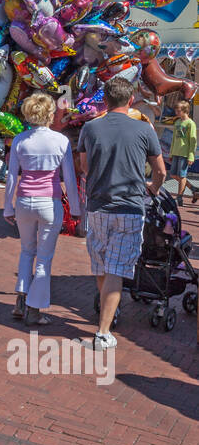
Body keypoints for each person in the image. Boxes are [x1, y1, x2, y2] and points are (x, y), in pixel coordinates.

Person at [78, 76, 166, 350]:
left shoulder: (90, 128)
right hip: (129, 206)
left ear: (105, 100)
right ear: (131, 101)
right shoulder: (144, 129)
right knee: (116, 267)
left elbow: (84, 166)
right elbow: (161, 171)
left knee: (102, 264)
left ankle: (109, 312)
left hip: (98, 205)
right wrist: (152, 187)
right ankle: (103, 332)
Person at [3, 92, 80, 329]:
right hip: (49, 202)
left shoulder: (20, 140)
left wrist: (8, 206)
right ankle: (34, 310)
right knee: (44, 258)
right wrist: (76, 208)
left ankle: (21, 299)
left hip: (25, 201)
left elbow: (12, 177)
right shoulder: (60, 141)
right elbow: (69, 176)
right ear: (49, 114)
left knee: (27, 251)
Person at [168, 100, 197, 203]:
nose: (176, 112)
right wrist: (171, 153)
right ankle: (194, 189)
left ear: (185, 111)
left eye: (178, 110)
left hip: (184, 154)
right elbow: (173, 139)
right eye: (176, 110)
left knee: (182, 176)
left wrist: (191, 156)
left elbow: (193, 141)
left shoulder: (190, 123)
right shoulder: (177, 122)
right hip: (176, 152)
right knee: (173, 175)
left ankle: (179, 197)